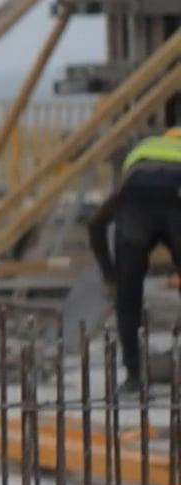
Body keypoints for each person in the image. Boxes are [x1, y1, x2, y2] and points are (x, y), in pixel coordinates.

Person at [87, 127, 181, 392]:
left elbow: (95, 224)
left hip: (134, 209)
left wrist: (110, 274)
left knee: (127, 299)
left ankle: (133, 377)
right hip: (175, 201)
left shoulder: (140, 154)